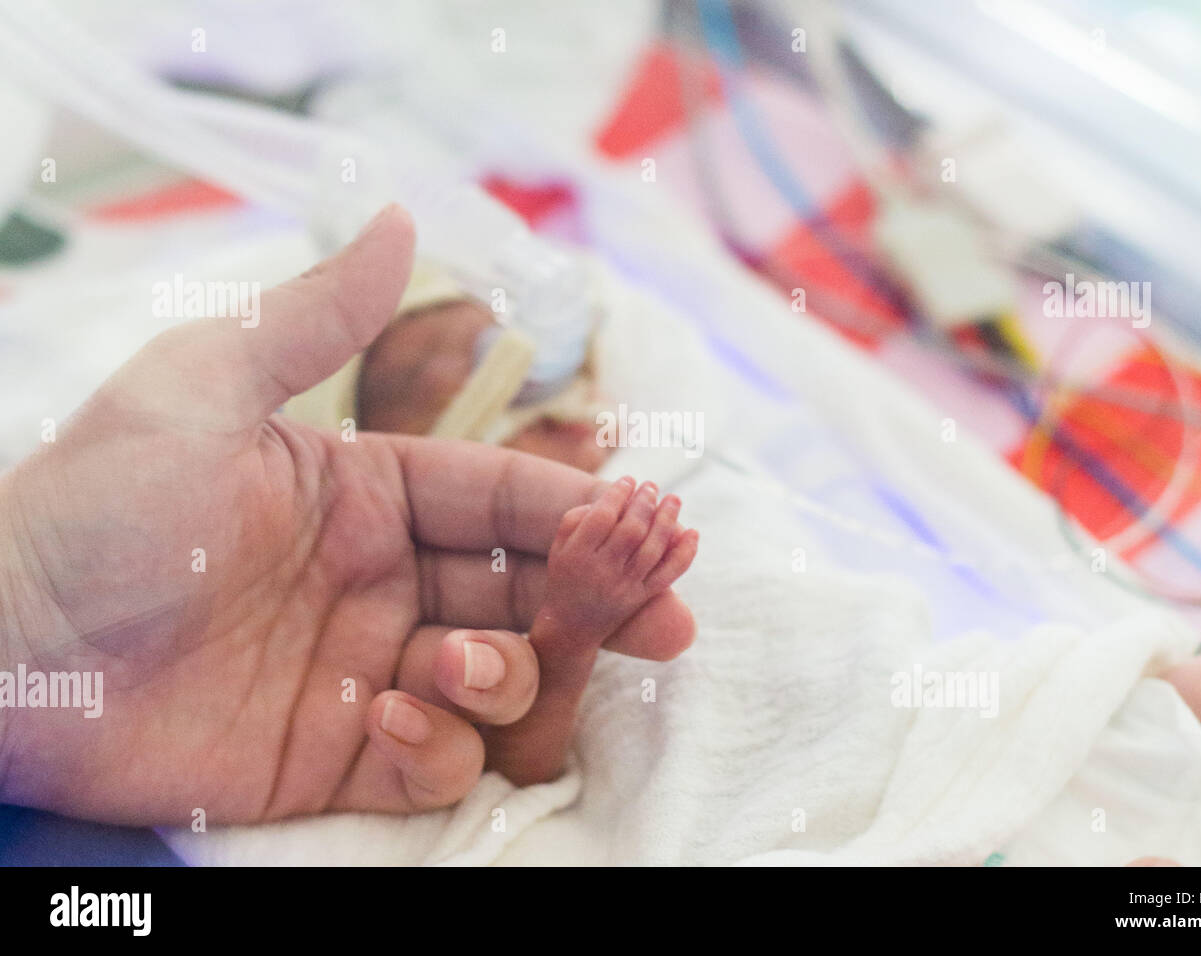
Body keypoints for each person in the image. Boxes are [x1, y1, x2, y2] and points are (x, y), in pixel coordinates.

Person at [0, 204, 697, 825]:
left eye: (543, 365)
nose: (558, 398)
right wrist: (574, 622)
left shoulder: (673, 447)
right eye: (484, 376)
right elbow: (519, 769)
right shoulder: (428, 593)